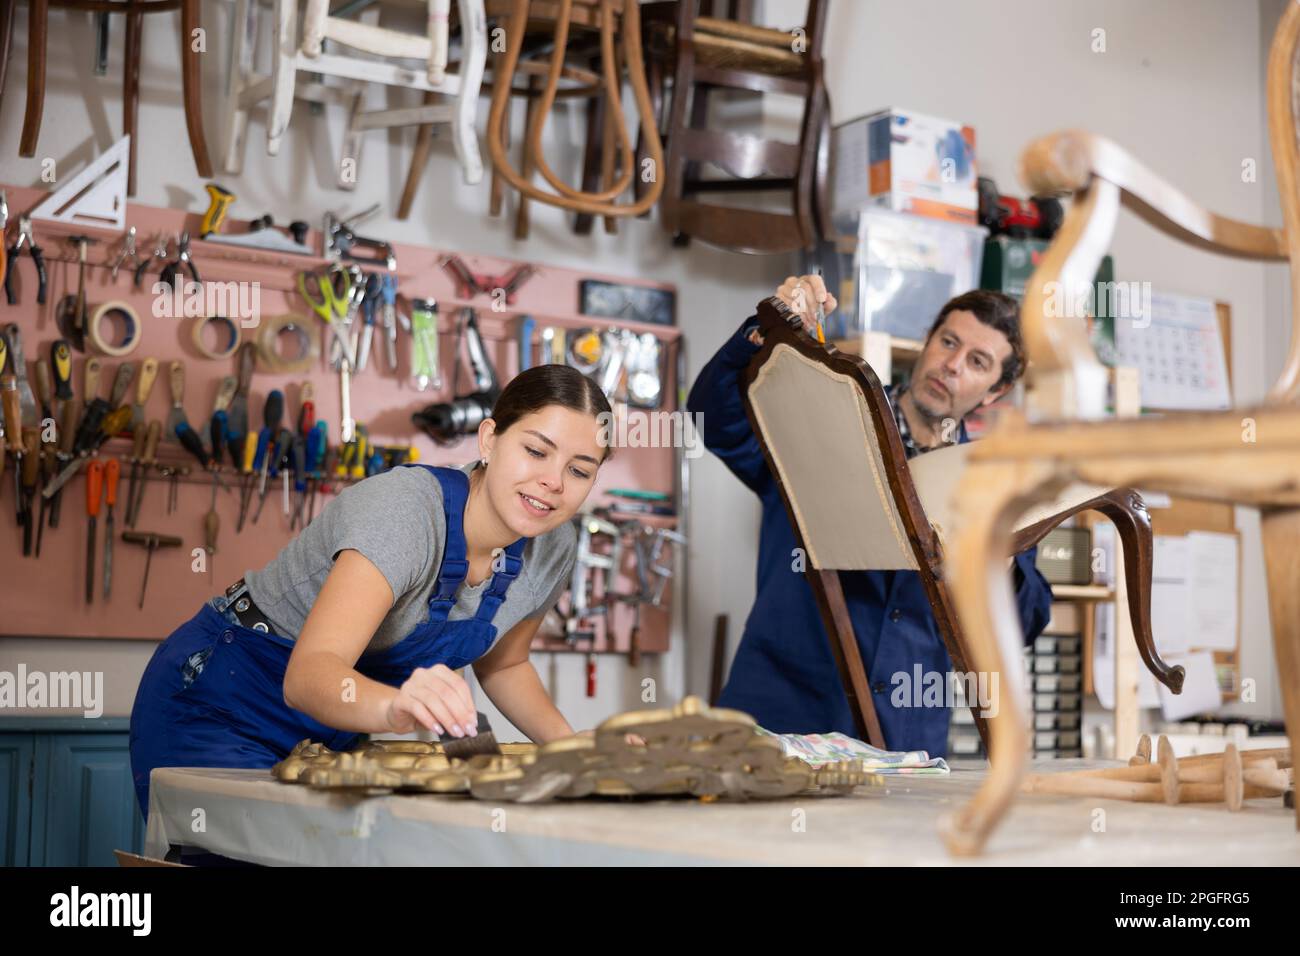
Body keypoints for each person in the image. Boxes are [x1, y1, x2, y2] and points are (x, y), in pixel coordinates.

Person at [130, 364, 609, 817]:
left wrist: (574, 750)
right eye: (537, 451)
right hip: (226, 700)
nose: (553, 482)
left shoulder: (555, 546)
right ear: (489, 439)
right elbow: (309, 677)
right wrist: (395, 707)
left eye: (580, 470)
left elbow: (505, 664)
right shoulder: (403, 512)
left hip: (336, 727)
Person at [687, 276, 1053, 756]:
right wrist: (770, 324)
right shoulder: (827, 412)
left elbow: (1023, 622)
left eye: (977, 362)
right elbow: (716, 418)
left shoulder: (992, 486)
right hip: (780, 722)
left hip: (902, 746)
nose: (953, 365)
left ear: (994, 392)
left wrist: (995, 556)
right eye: (949, 342)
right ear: (927, 343)